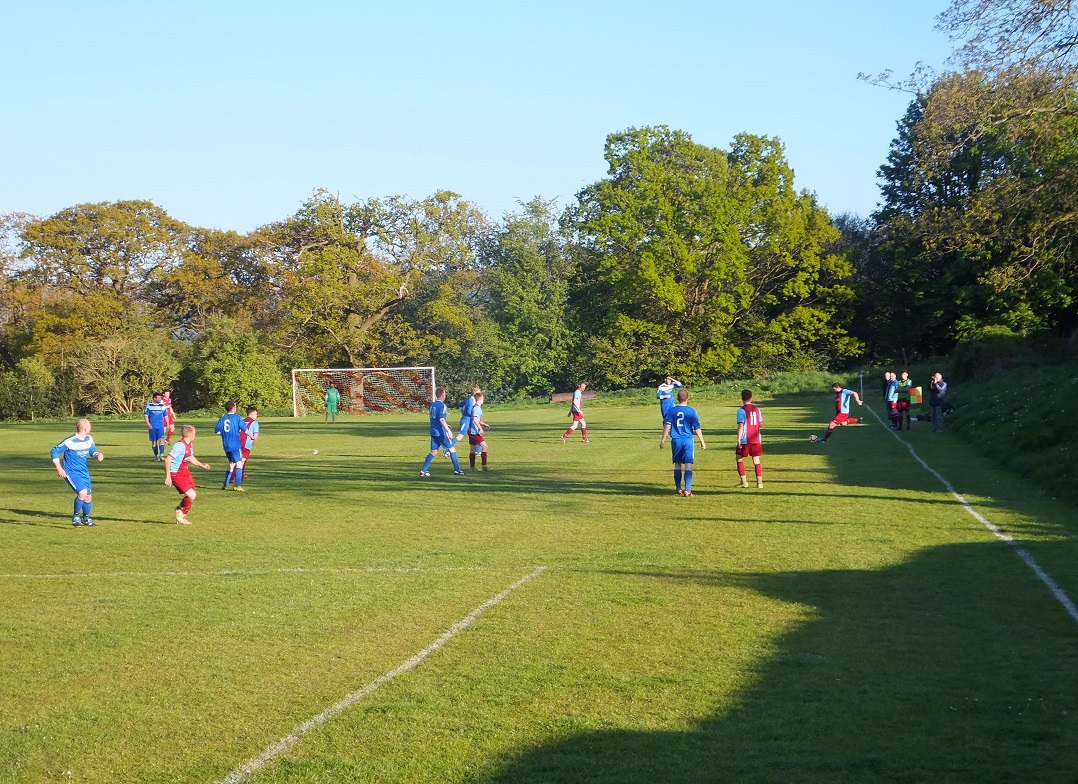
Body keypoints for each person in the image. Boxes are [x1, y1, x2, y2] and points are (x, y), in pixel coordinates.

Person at [51, 418, 104, 527]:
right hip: (71, 472)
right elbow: (54, 451)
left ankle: (86, 518)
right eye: (89, 427)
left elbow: (93, 452)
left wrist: (98, 455)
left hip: (84, 472)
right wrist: (59, 468)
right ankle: (75, 517)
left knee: (88, 497)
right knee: (82, 493)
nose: (90, 428)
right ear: (85, 428)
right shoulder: (70, 441)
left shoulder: (89, 439)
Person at [659, 388, 706, 496]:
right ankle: (687, 490)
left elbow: (667, 426)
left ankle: (678, 488)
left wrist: (663, 440)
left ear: (677, 399)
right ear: (687, 398)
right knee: (688, 465)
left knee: (677, 465)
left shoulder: (672, 411)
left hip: (676, 440)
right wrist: (702, 441)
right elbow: (697, 427)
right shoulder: (692, 411)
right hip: (688, 440)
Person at [165, 424, 212, 524]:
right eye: (194, 434)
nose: (195, 436)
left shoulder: (189, 444)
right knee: (192, 495)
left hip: (185, 471)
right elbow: (168, 459)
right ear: (190, 435)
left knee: (192, 494)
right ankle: (180, 511)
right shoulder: (180, 446)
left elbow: (190, 457)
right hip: (176, 473)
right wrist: (168, 477)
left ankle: (181, 514)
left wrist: (202, 465)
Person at [420, 388, 464, 476]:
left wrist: (446, 425)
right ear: (443, 395)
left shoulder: (433, 405)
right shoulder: (442, 405)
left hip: (433, 431)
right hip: (441, 432)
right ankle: (457, 470)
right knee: (452, 449)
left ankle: (423, 471)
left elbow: (436, 418)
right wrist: (448, 430)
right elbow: (441, 419)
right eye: (445, 394)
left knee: (433, 451)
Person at [214, 400, 249, 490]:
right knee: (239, 463)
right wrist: (251, 436)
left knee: (231, 463)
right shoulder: (237, 418)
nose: (236, 408)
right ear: (233, 408)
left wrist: (225, 434)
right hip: (235, 445)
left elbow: (217, 431)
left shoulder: (223, 418)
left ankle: (225, 484)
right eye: (235, 406)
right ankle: (237, 485)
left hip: (226, 445)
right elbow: (245, 429)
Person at [736, 389, 764, 488]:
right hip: (756, 439)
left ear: (742, 398)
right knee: (756, 460)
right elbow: (760, 423)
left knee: (739, 458)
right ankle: (759, 482)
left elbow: (741, 425)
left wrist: (738, 439)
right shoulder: (757, 410)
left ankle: (744, 481)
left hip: (745, 439)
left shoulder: (741, 410)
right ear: (751, 398)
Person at [467, 392, 491, 470]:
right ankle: (484, 465)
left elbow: (477, 420)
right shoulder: (477, 408)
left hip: (471, 430)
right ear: (480, 398)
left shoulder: (475, 407)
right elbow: (475, 418)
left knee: (473, 448)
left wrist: (484, 424)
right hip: (474, 431)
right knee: (484, 446)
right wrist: (480, 428)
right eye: (483, 398)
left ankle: (472, 466)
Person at [144, 391, 170, 461]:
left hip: (160, 426)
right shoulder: (149, 406)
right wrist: (148, 424)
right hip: (152, 427)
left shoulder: (162, 406)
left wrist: (167, 424)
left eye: (160, 398)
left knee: (161, 440)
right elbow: (146, 416)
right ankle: (156, 456)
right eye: (158, 398)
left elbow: (166, 416)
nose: (160, 399)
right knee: (154, 441)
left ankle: (161, 455)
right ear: (154, 398)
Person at [241, 406, 259, 475]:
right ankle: (234, 477)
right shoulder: (254, 423)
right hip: (246, 444)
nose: (256, 415)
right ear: (252, 413)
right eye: (256, 414)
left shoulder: (242, 421)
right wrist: (252, 444)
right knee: (242, 461)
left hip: (238, 443)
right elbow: (255, 436)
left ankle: (241, 474)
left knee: (239, 459)